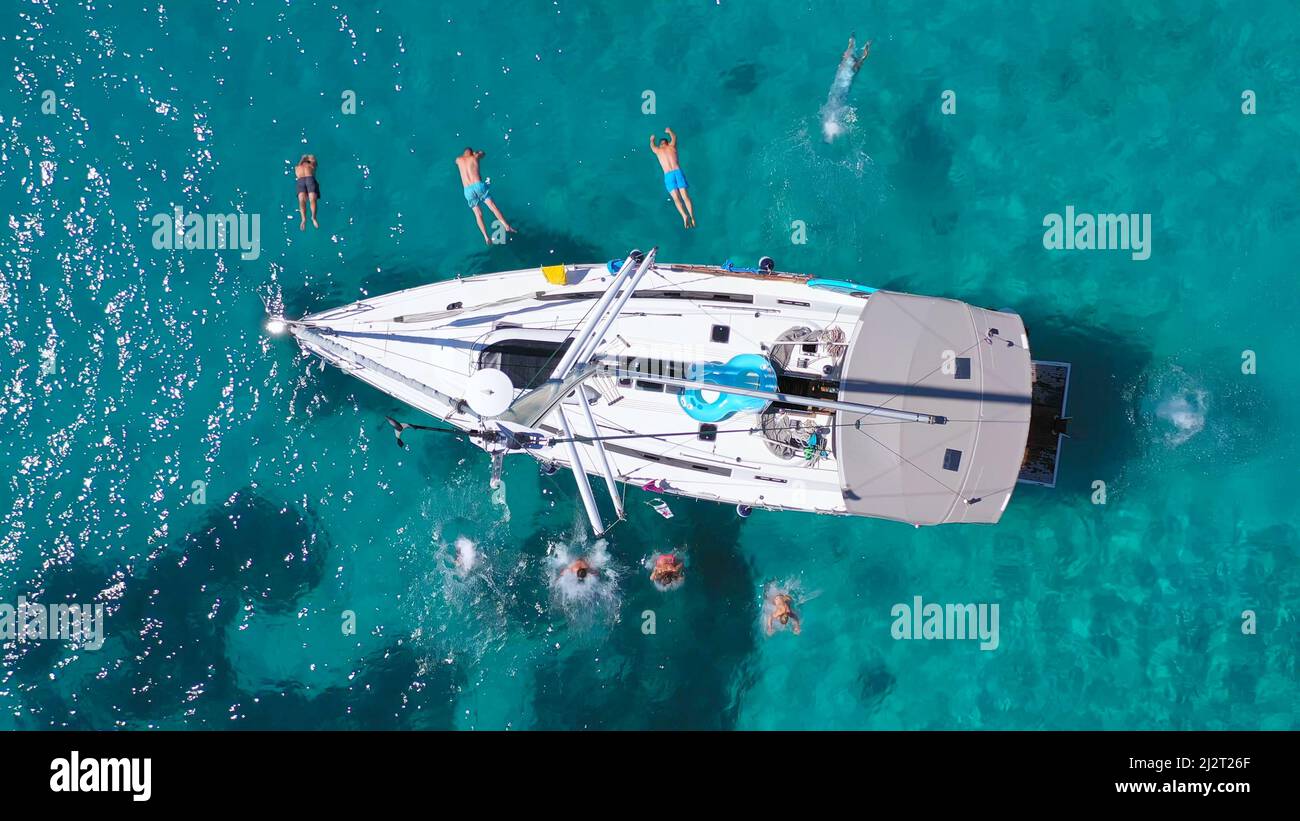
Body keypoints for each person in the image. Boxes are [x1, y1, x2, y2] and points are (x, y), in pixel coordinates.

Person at [455, 147, 516, 245]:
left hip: (467, 190)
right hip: (478, 186)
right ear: (472, 153)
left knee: (478, 214)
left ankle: (486, 237)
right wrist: (477, 153)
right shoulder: (475, 157)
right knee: (493, 207)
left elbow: (457, 161)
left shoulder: (459, 160)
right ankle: (506, 226)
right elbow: (483, 153)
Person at [649, 128, 695, 229]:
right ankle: (692, 216)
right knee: (685, 196)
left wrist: (652, 140)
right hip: (677, 172)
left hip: (668, 175)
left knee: (676, 198)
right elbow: (674, 137)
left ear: (660, 144)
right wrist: (670, 131)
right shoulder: (671, 147)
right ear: (667, 142)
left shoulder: (658, 150)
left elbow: (652, 147)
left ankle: (684, 216)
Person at [295, 154, 320, 230]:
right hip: (301, 181)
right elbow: (301, 161)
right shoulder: (298, 166)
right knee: (302, 201)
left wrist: (307, 158)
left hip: (309, 179)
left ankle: (313, 217)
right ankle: (303, 219)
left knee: (312, 199)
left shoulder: (311, 165)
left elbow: (314, 162)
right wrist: (303, 158)